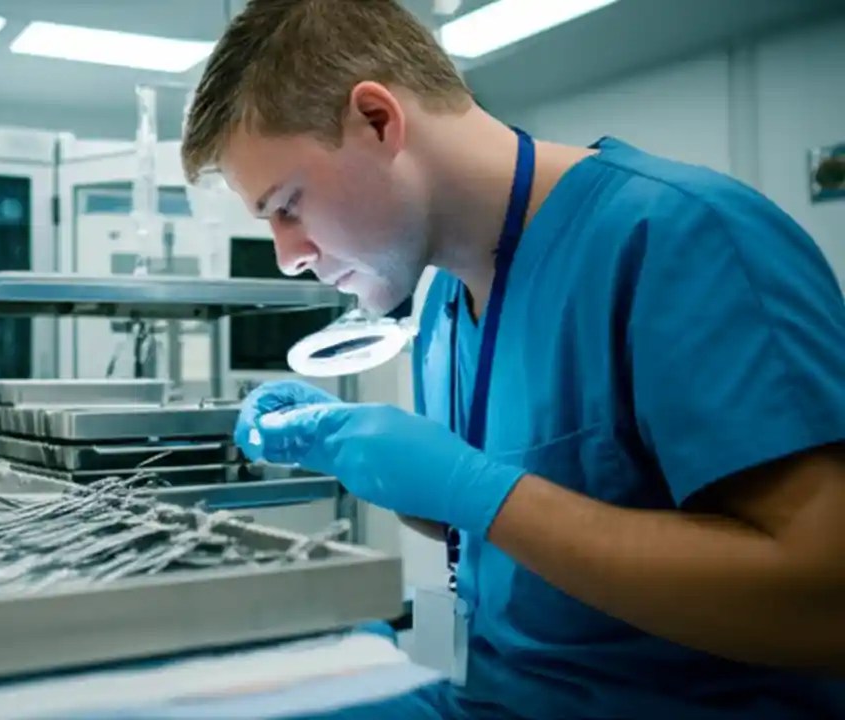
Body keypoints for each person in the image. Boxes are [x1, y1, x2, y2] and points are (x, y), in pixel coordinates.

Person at [181, 0, 845, 718]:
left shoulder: (682, 239)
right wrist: (359, 454)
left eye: (287, 206)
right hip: (486, 693)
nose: (287, 257)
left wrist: (474, 487)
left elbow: (823, 602)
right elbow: (494, 527)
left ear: (377, 120)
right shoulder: (441, 300)